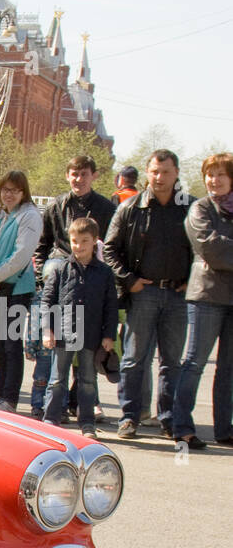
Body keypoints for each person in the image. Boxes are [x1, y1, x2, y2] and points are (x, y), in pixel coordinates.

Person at [104, 149, 193, 439]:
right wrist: (129, 280)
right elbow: (109, 249)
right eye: (154, 171)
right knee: (133, 359)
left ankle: (168, 419)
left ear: (176, 173)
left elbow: (201, 251)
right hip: (143, 293)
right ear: (147, 172)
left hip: (178, 296)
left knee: (171, 362)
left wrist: (190, 279)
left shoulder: (189, 208)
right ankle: (129, 417)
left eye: (166, 171)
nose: (159, 177)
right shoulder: (131, 207)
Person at [32, 154, 117, 420]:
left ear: (93, 176)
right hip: (62, 269)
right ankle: (47, 405)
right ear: (67, 176)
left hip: (94, 274)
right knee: (57, 347)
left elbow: (113, 245)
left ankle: (85, 403)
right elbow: (43, 244)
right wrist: (40, 271)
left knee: (88, 348)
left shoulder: (105, 206)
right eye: (74, 174)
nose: (78, 179)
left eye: (83, 174)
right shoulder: (57, 205)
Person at [171, 152, 233, 450]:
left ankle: (224, 428)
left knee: (229, 368)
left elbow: (222, 250)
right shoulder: (199, 208)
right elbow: (210, 249)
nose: (214, 180)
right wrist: (222, 248)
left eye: (221, 174)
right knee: (194, 363)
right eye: (210, 174)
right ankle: (182, 426)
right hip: (206, 296)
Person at [41, 218, 117, 438]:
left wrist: (109, 334)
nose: (79, 246)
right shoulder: (60, 269)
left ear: (95, 241)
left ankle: (87, 424)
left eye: (85, 241)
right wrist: (48, 329)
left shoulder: (104, 273)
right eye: (75, 241)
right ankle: (51, 420)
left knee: (88, 381)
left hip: (91, 336)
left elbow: (111, 306)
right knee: (57, 379)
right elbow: (47, 301)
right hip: (64, 334)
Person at [0, 170, 41, 412]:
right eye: (5, 189)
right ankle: (0, 394)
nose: (9, 194)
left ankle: (9, 397)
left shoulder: (30, 216)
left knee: (11, 345)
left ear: (23, 192)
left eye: (14, 190)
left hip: (16, 289)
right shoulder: (0, 216)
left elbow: (21, 256)